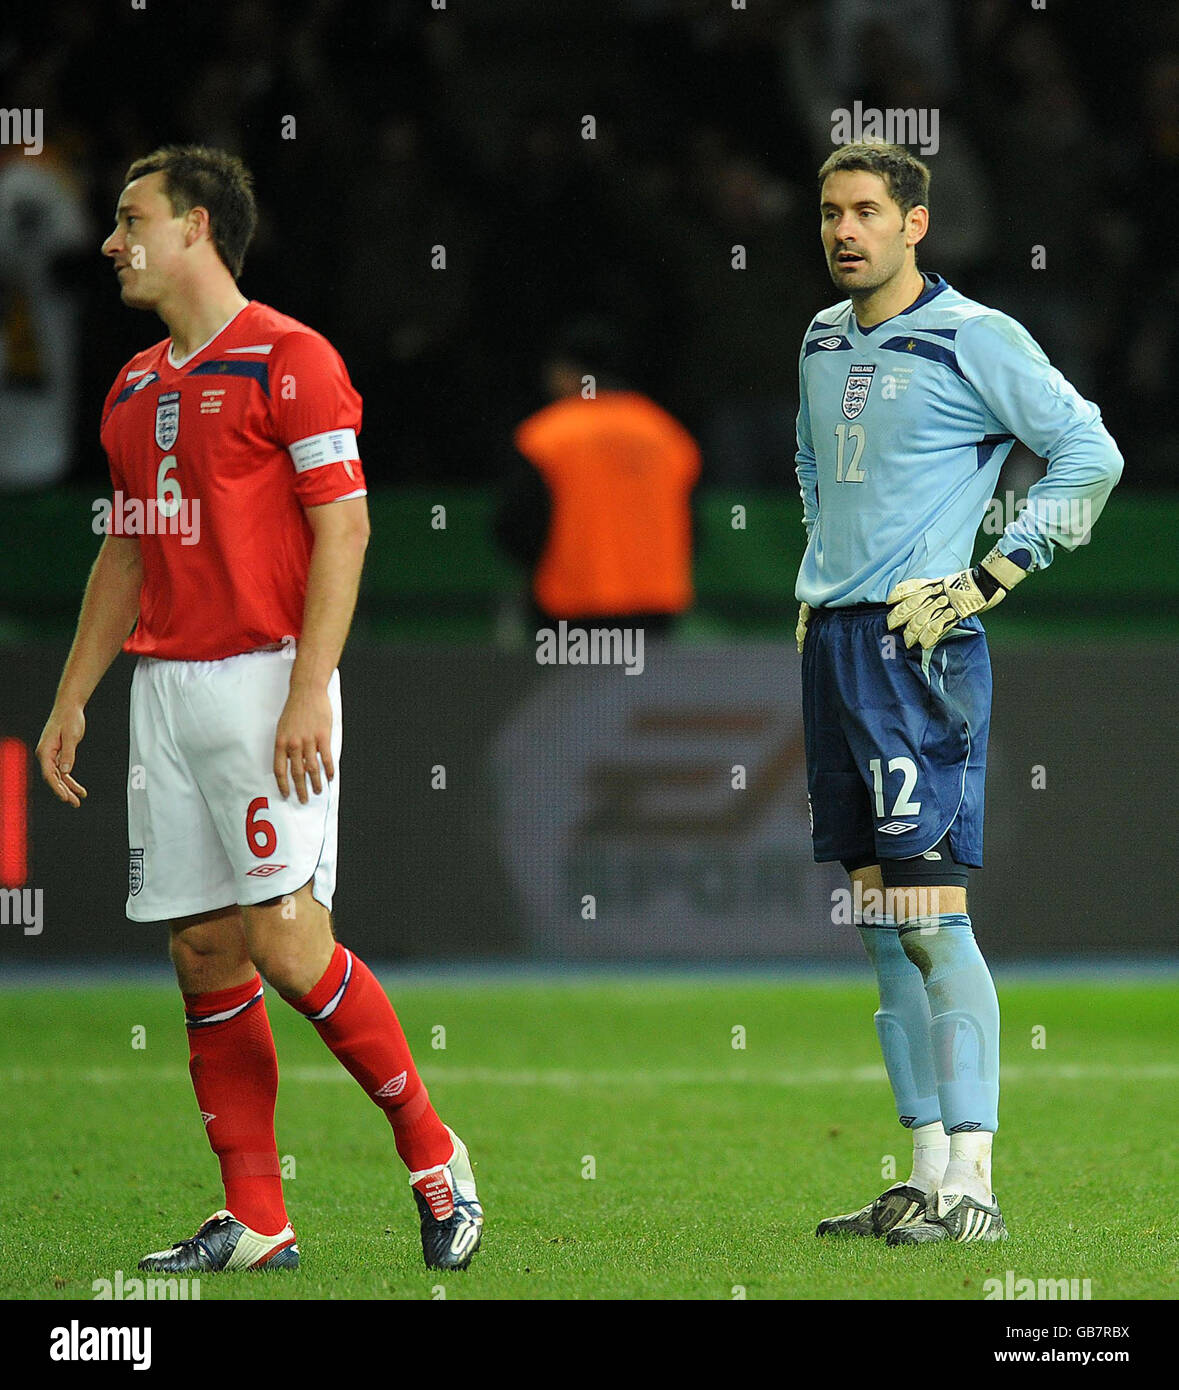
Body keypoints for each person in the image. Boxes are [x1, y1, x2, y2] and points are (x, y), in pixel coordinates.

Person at [34, 145, 482, 1274]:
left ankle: (435, 1158)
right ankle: (259, 1218)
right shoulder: (134, 385)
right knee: (201, 950)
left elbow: (348, 528)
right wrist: (73, 696)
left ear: (194, 227)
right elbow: (127, 550)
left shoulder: (291, 359)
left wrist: (305, 690)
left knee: (285, 941)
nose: (110, 241)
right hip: (166, 689)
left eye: (130, 219)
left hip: (267, 676)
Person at [794, 141, 1121, 1244]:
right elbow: (811, 461)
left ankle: (975, 1183)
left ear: (915, 224)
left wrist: (992, 574)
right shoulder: (821, 336)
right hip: (835, 642)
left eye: (868, 213)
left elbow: (1092, 453)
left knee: (932, 919)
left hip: (916, 648)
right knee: (882, 922)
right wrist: (815, 567)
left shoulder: (976, 337)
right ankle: (923, 1172)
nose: (845, 230)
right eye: (832, 212)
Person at [495, 319, 700, 637]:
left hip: (569, 611)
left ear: (564, 371)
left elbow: (516, 527)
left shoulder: (546, 436)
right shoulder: (666, 433)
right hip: (655, 612)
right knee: (643, 688)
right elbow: (693, 527)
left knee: (570, 689)